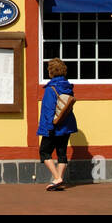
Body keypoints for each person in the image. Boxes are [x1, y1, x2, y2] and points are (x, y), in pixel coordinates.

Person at [37, 58, 77, 191]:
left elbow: (49, 110)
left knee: (44, 152)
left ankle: (56, 177)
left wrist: (48, 128)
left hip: (54, 126)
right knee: (62, 153)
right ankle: (58, 180)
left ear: (51, 72)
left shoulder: (51, 89)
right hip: (67, 125)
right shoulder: (67, 87)